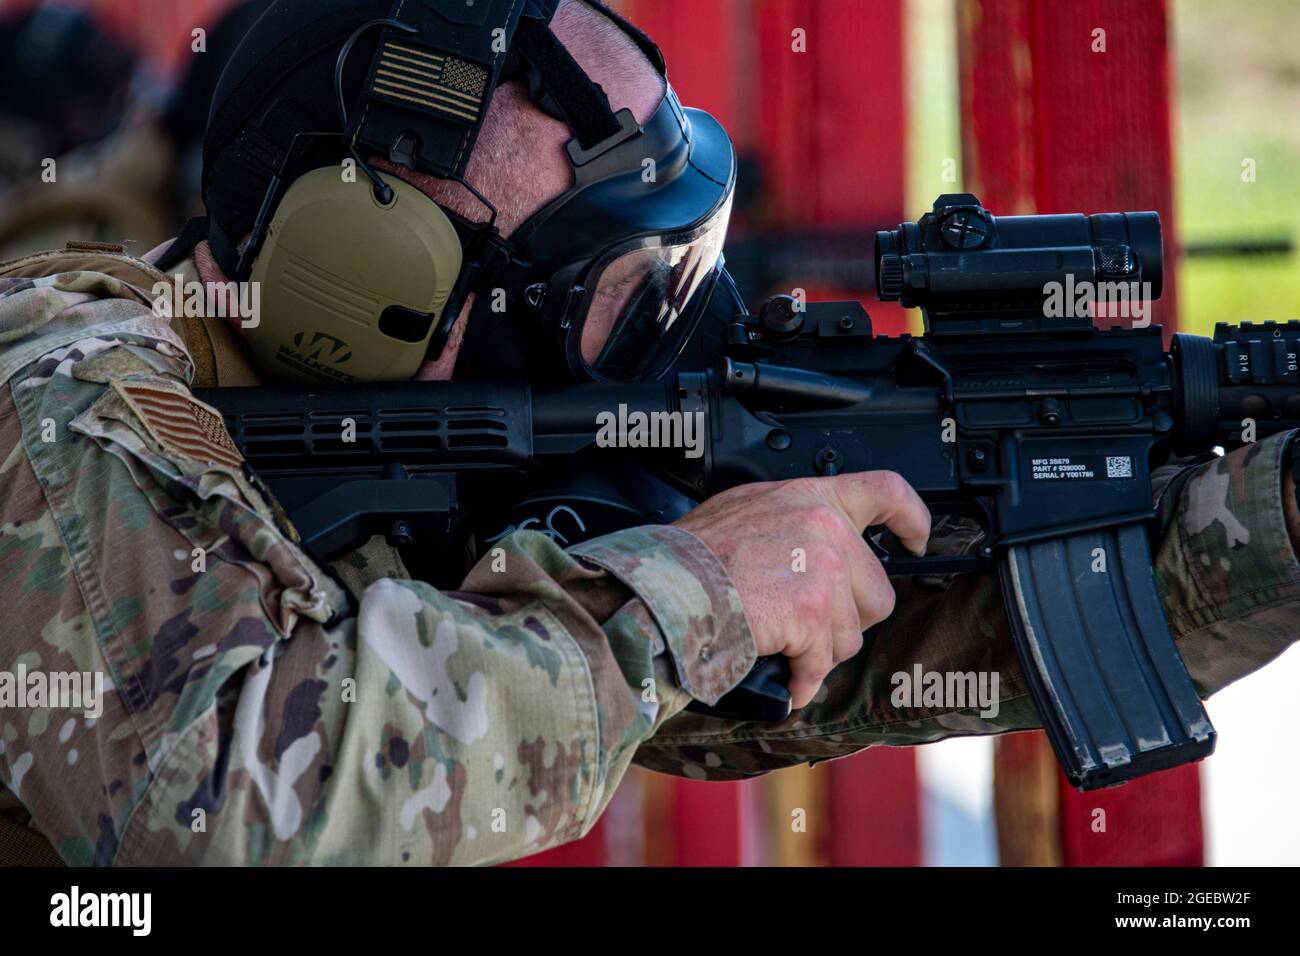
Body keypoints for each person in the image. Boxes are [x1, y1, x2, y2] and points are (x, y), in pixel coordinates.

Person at [0, 0, 1296, 866]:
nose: (680, 334)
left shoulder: (435, 444)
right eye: (619, 290)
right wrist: (697, 589)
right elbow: (230, 800)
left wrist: (1271, 525)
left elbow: (824, 654)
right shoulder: (56, 395)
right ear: (368, 279)